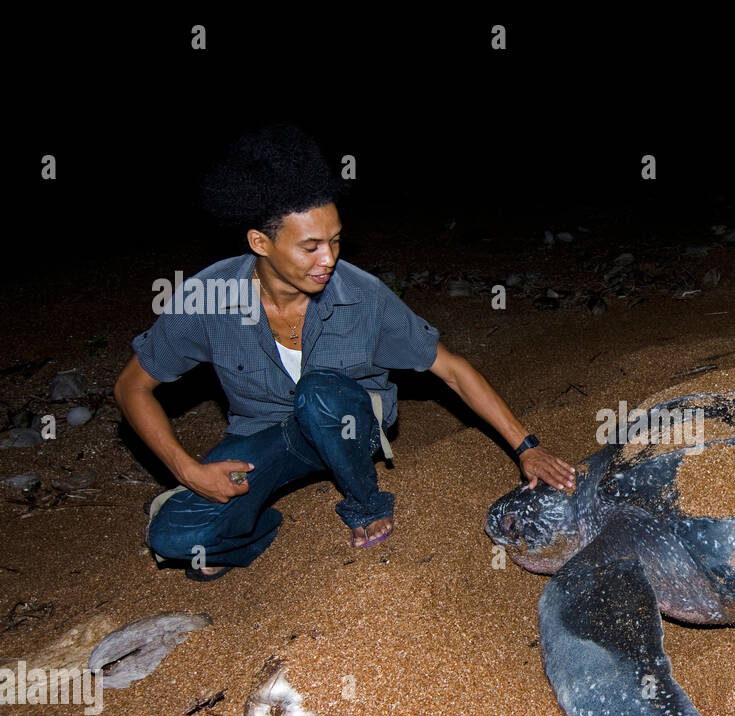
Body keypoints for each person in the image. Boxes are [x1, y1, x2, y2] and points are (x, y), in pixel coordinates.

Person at [115, 125, 574, 581]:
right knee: (174, 539)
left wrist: (526, 447)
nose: (328, 259)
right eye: (310, 246)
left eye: (335, 240)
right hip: (268, 437)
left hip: (352, 425)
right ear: (260, 243)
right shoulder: (209, 297)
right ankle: (257, 525)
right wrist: (188, 470)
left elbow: (451, 369)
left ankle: (366, 503)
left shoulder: (361, 295)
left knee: (318, 396)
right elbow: (132, 387)